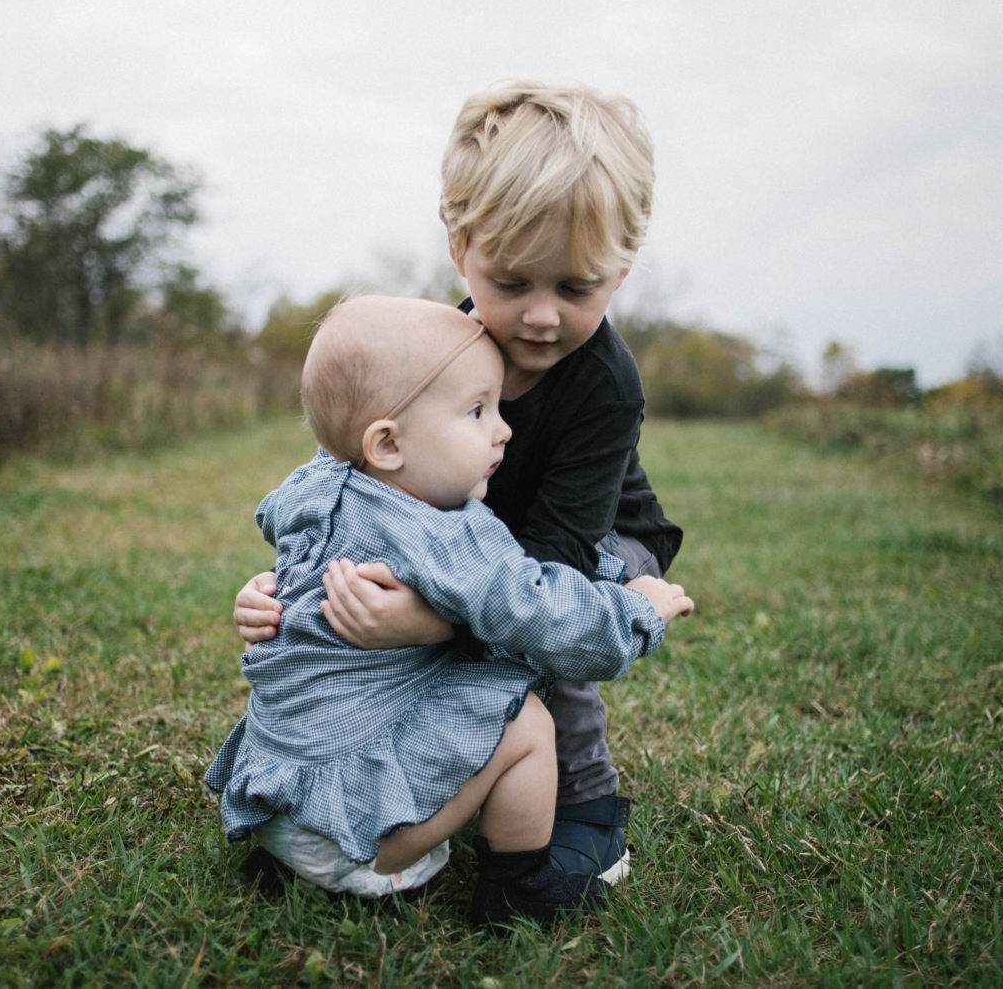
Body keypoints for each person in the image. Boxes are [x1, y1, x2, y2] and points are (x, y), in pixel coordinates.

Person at [233, 81, 686, 888]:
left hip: (590, 546)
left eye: (576, 288)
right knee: (415, 620)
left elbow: (552, 557)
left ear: (621, 272)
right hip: (469, 535)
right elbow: (361, 483)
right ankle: (412, 772)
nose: (541, 316)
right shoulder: (436, 347)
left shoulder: (603, 386)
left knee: (545, 640)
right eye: (513, 283)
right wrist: (285, 585)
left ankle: (582, 799)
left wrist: (434, 622)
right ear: (460, 246)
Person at [205, 295, 693, 928]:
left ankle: (293, 860)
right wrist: (636, 608)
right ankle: (519, 887)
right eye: (477, 411)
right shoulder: (450, 536)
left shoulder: (311, 489)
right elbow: (547, 616)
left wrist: (262, 587)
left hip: (272, 803)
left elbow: (282, 541)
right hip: (361, 837)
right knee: (523, 719)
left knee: (413, 688)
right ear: (387, 443)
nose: (504, 430)